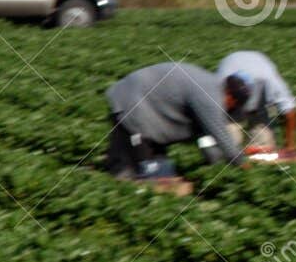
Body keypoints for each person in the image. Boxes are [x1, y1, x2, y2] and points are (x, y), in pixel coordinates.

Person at [105, 62, 246, 179]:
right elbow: (220, 133)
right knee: (132, 169)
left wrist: (214, 161)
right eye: (233, 106)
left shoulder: (212, 86)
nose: (229, 110)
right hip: (133, 103)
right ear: (230, 97)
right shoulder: (210, 96)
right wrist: (241, 163)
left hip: (151, 112)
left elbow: (205, 136)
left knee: (159, 171)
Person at [217, 50, 296, 151]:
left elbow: (290, 111)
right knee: (227, 145)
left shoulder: (269, 81)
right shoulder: (218, 83)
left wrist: (290, 146)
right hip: (232, 70)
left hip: (261, 99)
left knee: (264, 144)